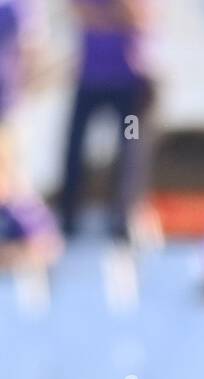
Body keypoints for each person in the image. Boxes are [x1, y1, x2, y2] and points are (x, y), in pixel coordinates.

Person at [58, 0, 156, 239]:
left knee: (130, 146)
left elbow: (139, 16)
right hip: (89, 81)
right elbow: (80, 13)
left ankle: (123, 214)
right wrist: (114, 17)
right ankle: (69, 214)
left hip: (130, 86)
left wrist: (109, 15)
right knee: (75, 146)